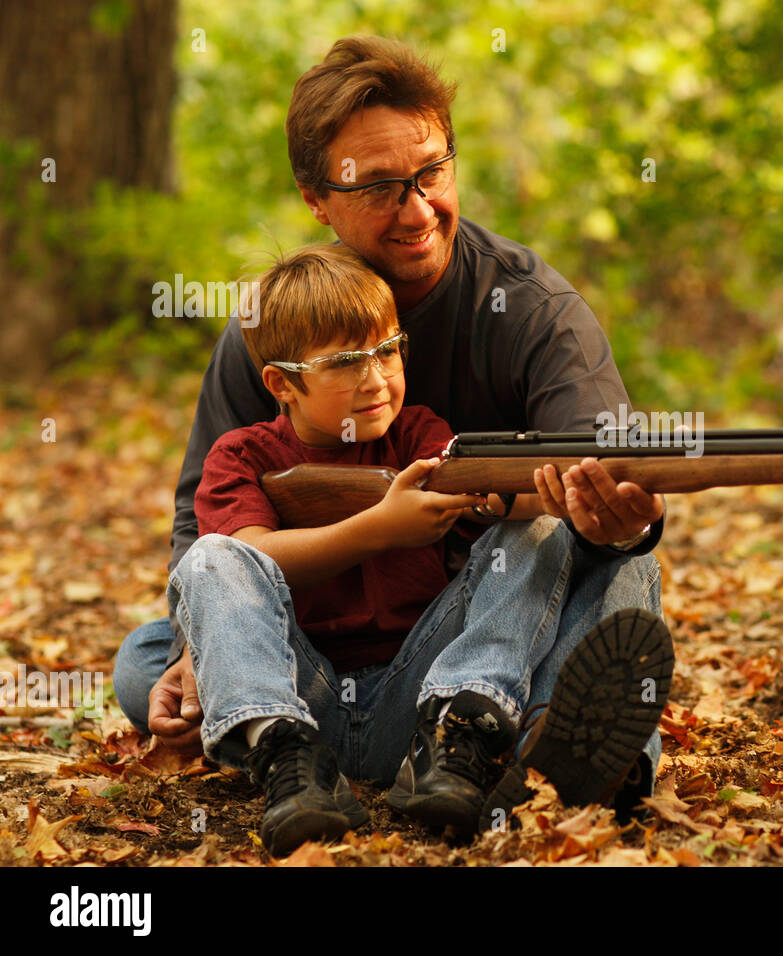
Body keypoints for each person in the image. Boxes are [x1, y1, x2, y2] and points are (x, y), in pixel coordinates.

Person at [112, 35, 673, 839]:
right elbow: (198, 528)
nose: (415, 210)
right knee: (148, 660)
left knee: (622, 574)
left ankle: (569, 756)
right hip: (307, 651)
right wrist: (203, 641)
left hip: (457, 636)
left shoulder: (537, 313)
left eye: (431, 172)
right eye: (377, 185)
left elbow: (601, 481)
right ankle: (439, 744)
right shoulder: (269, 329)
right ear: (316, 197)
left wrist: (624, 519)